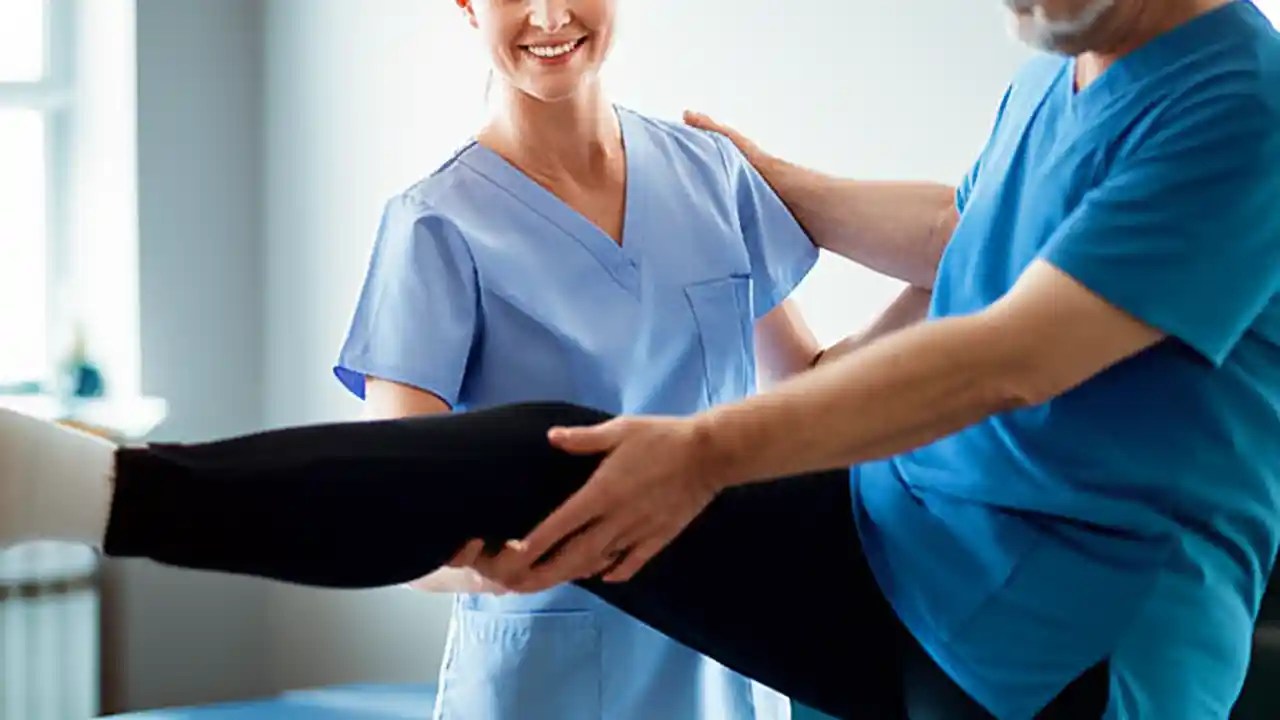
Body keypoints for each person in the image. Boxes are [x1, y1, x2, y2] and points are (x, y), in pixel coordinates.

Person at [1, 0, 1276, 717]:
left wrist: (700, 455)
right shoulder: (1058, 72)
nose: (550, 14)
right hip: (884, 557)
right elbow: (977, 240)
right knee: (540, 450)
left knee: (557, 459)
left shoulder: (1232, 101)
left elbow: (1007, 349)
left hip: (1054, 625)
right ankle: (69, 490)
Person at [329, 0, 833, 717]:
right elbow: (389, 511)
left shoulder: (710, 172)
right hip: (549, 674)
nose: (548, 14)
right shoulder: (435, 225)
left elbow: (809, 383)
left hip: (728, 657)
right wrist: (486, 571)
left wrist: (962, 271)